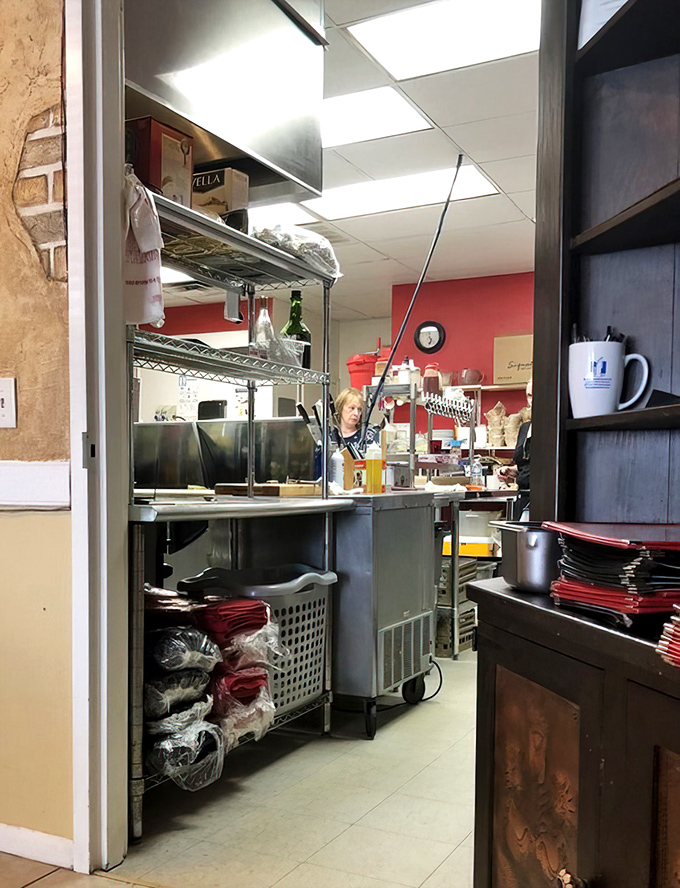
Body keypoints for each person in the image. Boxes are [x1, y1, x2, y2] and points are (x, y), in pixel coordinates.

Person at [496, 378, 532, 520]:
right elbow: (526, 465)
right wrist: (511, 470)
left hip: (543, 500)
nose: (532, 400)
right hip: (522, 497)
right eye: (529, 395)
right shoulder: (525, 428)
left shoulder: (553, 428)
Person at [331, 387, 380, 455]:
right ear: (340, 408)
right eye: (352, 408)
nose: (356, 413)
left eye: (359, 409)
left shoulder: (369, 436)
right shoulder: (330, 438)